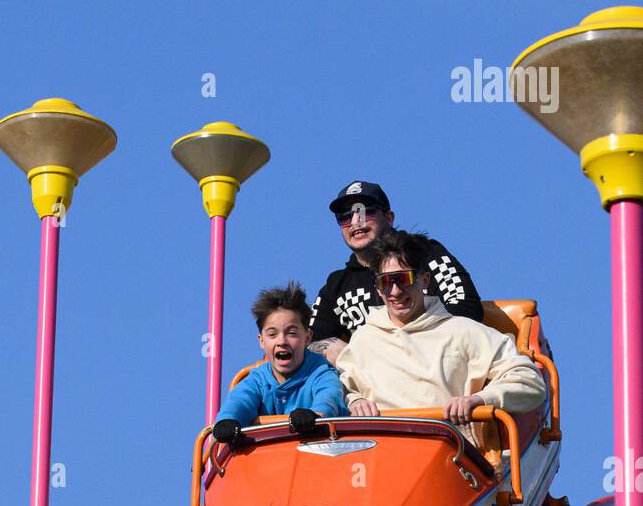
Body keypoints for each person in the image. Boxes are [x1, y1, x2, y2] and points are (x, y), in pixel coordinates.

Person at [335, 230, 546, 459]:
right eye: (386, 282)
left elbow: (530, 381)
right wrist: (354, 400)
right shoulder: (363, 340)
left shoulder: (463, 332)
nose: (395, 291)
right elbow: (338, 389)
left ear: (424, 280)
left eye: (403, 279)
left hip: (451, 464)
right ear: (378, 289)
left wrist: (480, 399)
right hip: (380, 463)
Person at [310, 180, 482, 363]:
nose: (355, 221)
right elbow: (307, 343)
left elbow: (466, 308)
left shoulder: (425, 255)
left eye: (365, 211)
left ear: (389, 218)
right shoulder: (336, 286)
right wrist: (335, 346)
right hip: (369, 383)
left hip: (436, 368)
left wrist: (412, 342)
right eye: (345, 216)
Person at [212, 281, 346, 446]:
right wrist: (228, 420)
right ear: (261, 341)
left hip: (314, 454)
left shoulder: (320, 371)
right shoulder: (258, 379)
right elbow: (240, 399)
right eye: (272, 334)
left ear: (308, 338)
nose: (282, 341)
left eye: (291, 333)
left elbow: (329, 396)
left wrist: (316, 415)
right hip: (271, 460)